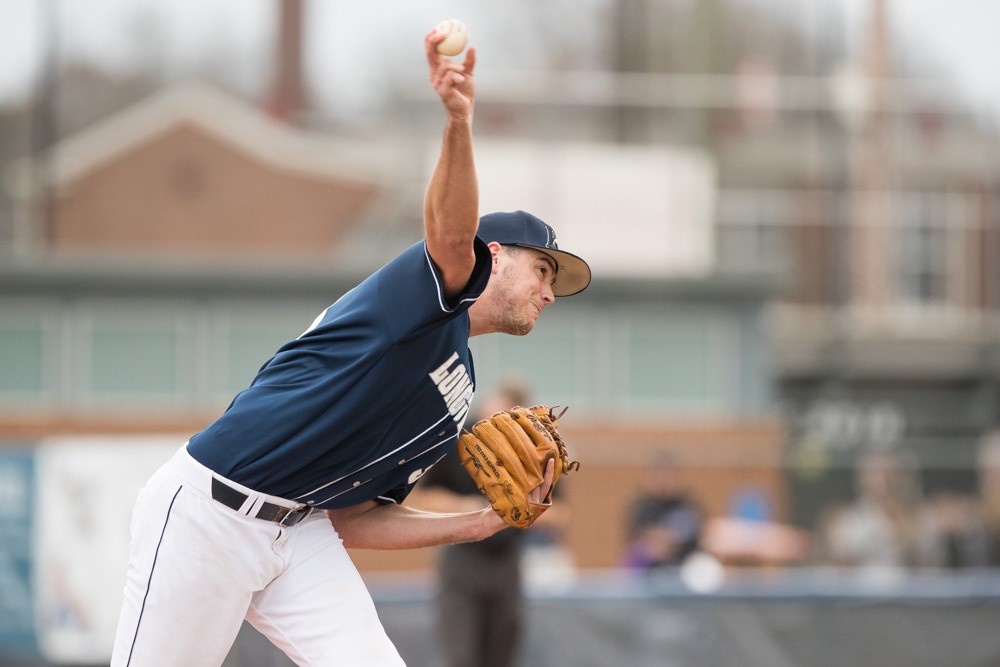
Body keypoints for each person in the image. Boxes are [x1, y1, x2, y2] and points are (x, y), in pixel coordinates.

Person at [111, 28, 591, 667]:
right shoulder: (421, 301)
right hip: (211, 513)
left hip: (300, 531)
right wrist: (457, 122)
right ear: (493, 256)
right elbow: (451, 231)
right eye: (543, 270)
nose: (550, 293)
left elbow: (357, 517)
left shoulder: (458, 390)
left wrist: (481, 522)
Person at [413, 379, 532, 667]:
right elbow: (422, 497)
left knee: (501, 655)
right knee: (460, 656)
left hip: (506, 561)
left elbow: (559, 513)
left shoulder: (530, 449)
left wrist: (519, 505)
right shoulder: (458, 441)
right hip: (462, 557)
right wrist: (473, 509)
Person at [620, 453, 702, 572]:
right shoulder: (641, 508)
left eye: (670, 475)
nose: (665, 481)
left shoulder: (688, 507)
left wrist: (672, 544)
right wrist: (652, 544)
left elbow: (697, 539)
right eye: (660, 475)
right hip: (647, 570)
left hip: (682, 568)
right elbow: (633, 539)